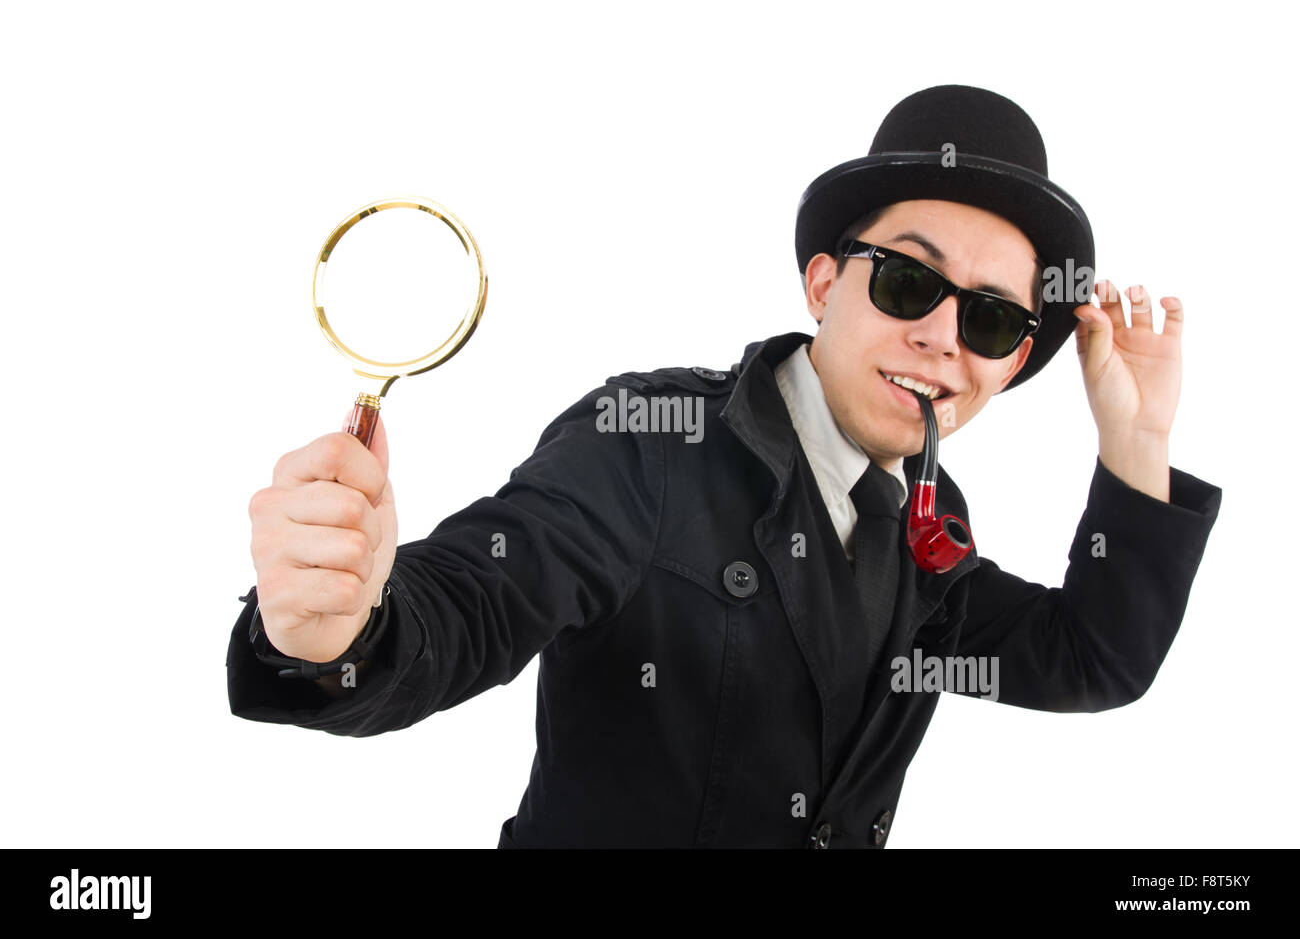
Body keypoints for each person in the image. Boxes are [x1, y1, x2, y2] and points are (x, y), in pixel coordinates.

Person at [227, 85, 1222, 848]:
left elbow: (1088, 660)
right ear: (824, 282)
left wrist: (1134, 449)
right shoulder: (651, 440)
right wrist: (342, 633)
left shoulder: (928, 521)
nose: (939, 338)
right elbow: (481, 597)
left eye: (993, 318)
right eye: (908, 280)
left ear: (1008, 364)